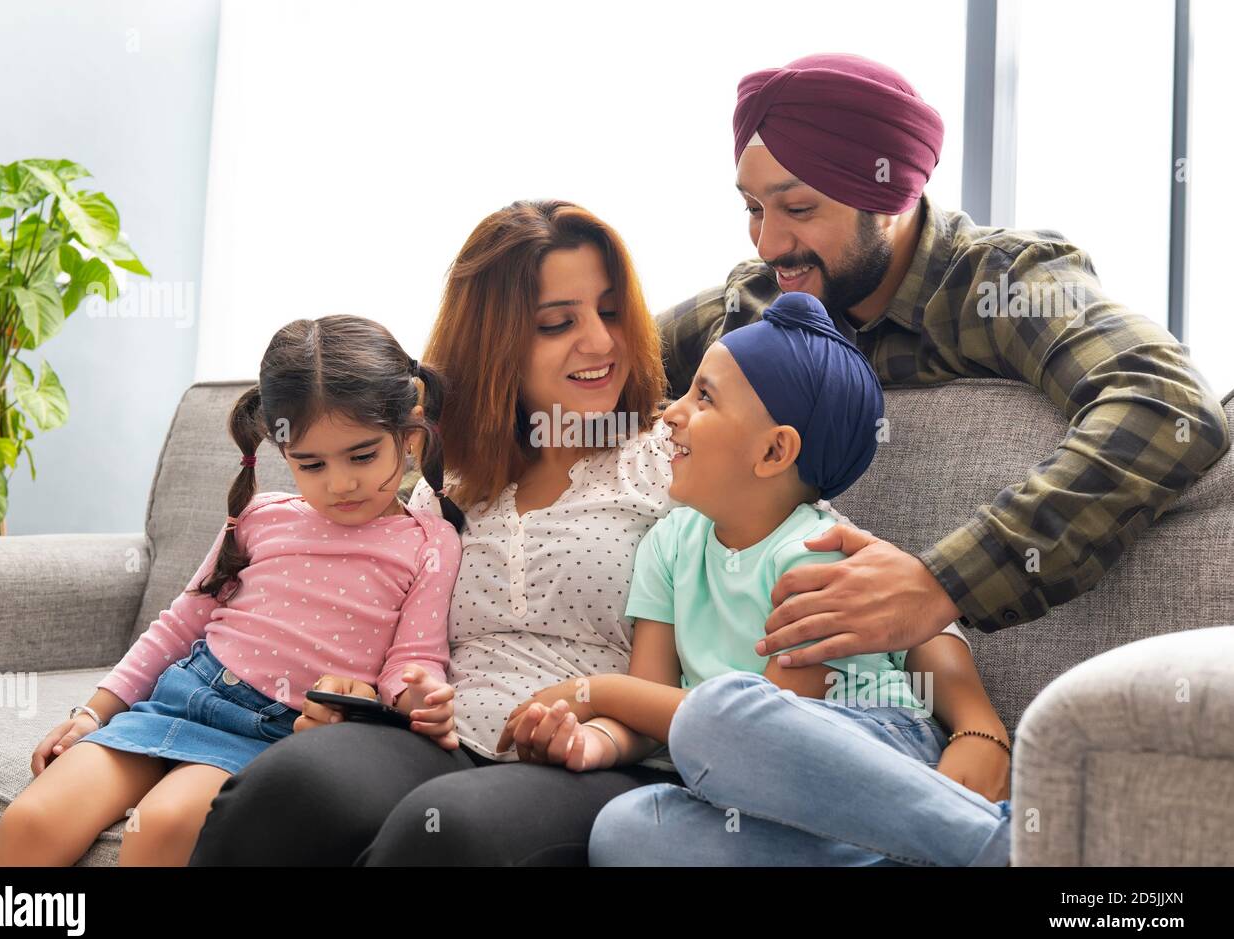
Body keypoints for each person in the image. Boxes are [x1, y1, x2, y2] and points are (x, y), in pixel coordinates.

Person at [188, 201, 982, 867]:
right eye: (558, 322)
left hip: (600, 756)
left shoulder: (674, 461)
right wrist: (352, 693)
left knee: (446, 833)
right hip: (444, 732)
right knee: (289, 786)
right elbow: (375, 626)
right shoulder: (438, 483)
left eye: (608, 312)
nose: (599, 342)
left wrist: (974, 718)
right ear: (495, 339)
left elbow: (855, 576)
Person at [660, 52, 1230, 673]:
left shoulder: (1001, 285)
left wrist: (939, 585)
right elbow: (595, 361)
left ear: (888, 198)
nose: (768, 244)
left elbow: (1164, 400)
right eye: (752, 208)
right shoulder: (756, 299)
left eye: (798, 209)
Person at [529, 292, 1009, 865]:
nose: (671, 412)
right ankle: (929, 852)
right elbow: (654, 708)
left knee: (720, 713)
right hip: (754, 784)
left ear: (775, 450)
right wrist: (594, 739)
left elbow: (775, 717)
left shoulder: (814, 551)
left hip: (871, 745)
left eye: (703, 397)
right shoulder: (667, 545)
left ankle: (1001, 846)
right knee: (628, 828)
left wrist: (596, 691)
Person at [0, 315, 462, 866]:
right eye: (311, 464)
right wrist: (94, 713)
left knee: (162, 826)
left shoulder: (429, 542)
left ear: (409, 436)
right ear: (283, 453)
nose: (340, 483)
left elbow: (412, 661)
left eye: (362, 456)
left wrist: (420, 698)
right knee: (30, 822)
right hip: (180, 696)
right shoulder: (258, 518)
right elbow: (178, 626)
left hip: (273, 733)